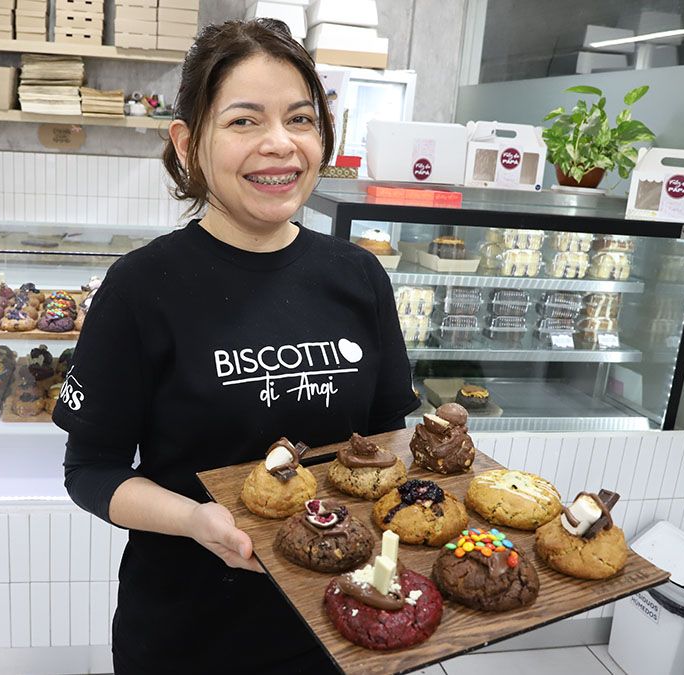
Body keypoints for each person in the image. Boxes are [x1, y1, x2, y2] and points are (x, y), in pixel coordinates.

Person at [53, 18, 418, 674]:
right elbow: (92, 470)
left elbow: (390, 440)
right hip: (191, 629)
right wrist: (197, 518)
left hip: (343, 621)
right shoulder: (141, 287)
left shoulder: (359, 276)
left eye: (300, 119)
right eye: (245, 121)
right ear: (189, 144)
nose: (279, 144)